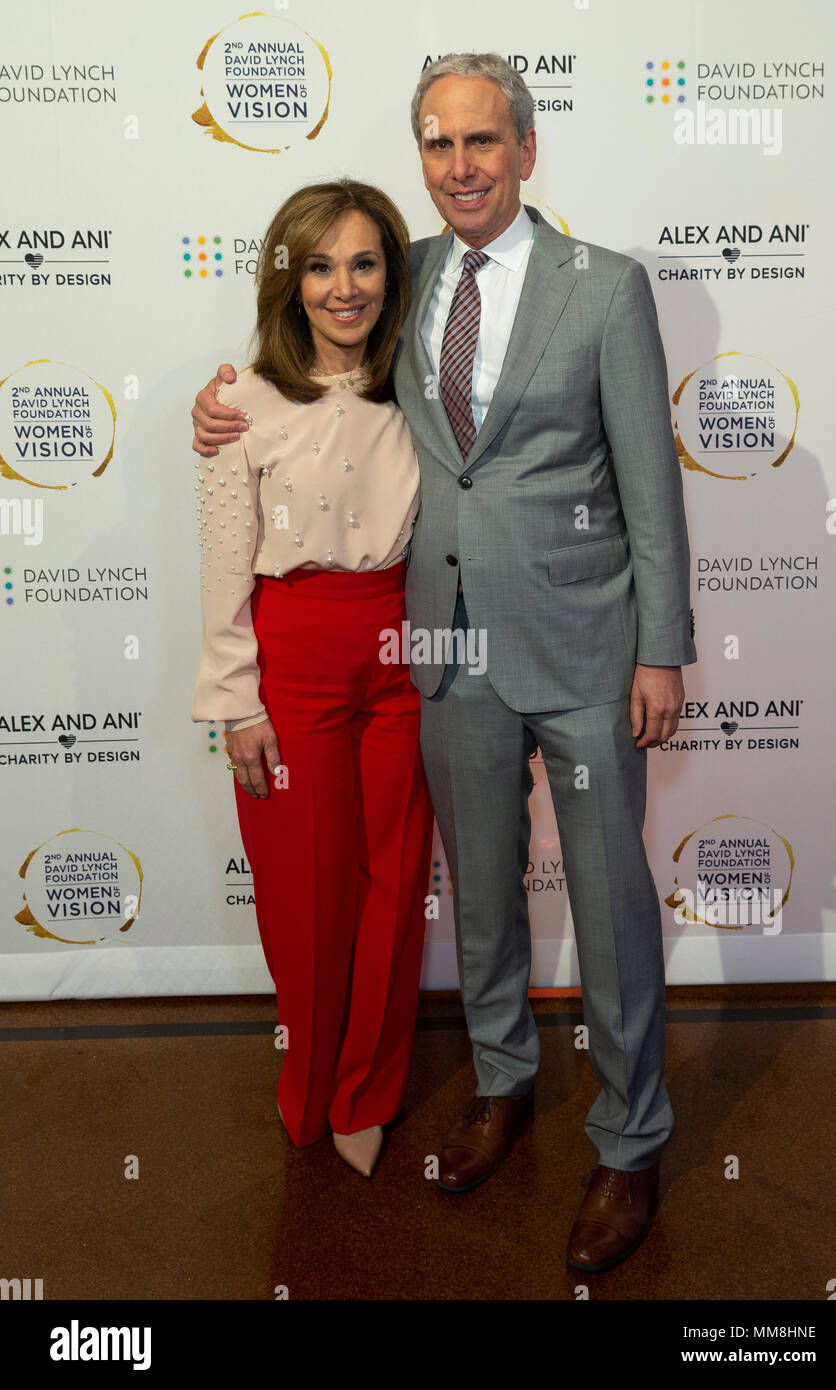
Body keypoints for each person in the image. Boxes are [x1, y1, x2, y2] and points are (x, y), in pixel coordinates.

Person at [192, 52, 696, 1272]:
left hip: (584, 646)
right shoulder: (403, 280)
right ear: (419, 158)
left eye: (481, 141)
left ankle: (629, 1142)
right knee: (477, 896)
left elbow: (648, 482)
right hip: (444, 646)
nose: (458, 165)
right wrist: (222, 403)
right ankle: (504, 1082)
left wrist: (661, 649)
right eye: (436, 143)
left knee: (612, 905)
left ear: (527, 149)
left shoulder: (604, 287)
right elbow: (319, 377)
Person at [191, 178, 434, 1178]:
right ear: (287, 281)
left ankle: (365, 1091)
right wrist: (233, 700)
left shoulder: (422, 387)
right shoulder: (236, 406)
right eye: (321, 265)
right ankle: (309, 1081)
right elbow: (220, 561)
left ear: (392, 275)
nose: (344, 287)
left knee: (393, 878)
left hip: (402, 651)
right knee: (306, 889)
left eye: (365, 262)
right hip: (290, 656)